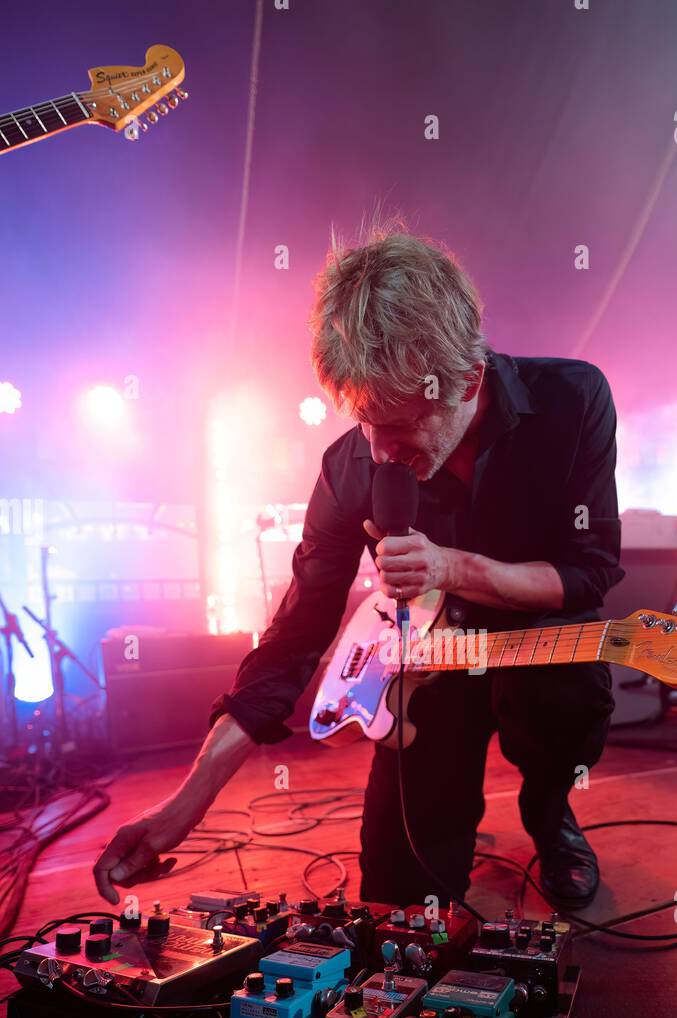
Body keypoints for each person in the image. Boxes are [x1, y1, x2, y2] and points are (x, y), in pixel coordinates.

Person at [94, 224, 623, 912]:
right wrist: (182, 809)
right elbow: (293, 639)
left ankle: (550, 812)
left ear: (467, 381)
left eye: (398, 426)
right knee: (399, 905)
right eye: (364, 422)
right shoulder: (352, 465)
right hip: (428, 681)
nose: (378, 452)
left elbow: (589, 572)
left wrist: (453, 567)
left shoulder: (572, 402)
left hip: (541, 642)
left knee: (569, 697)